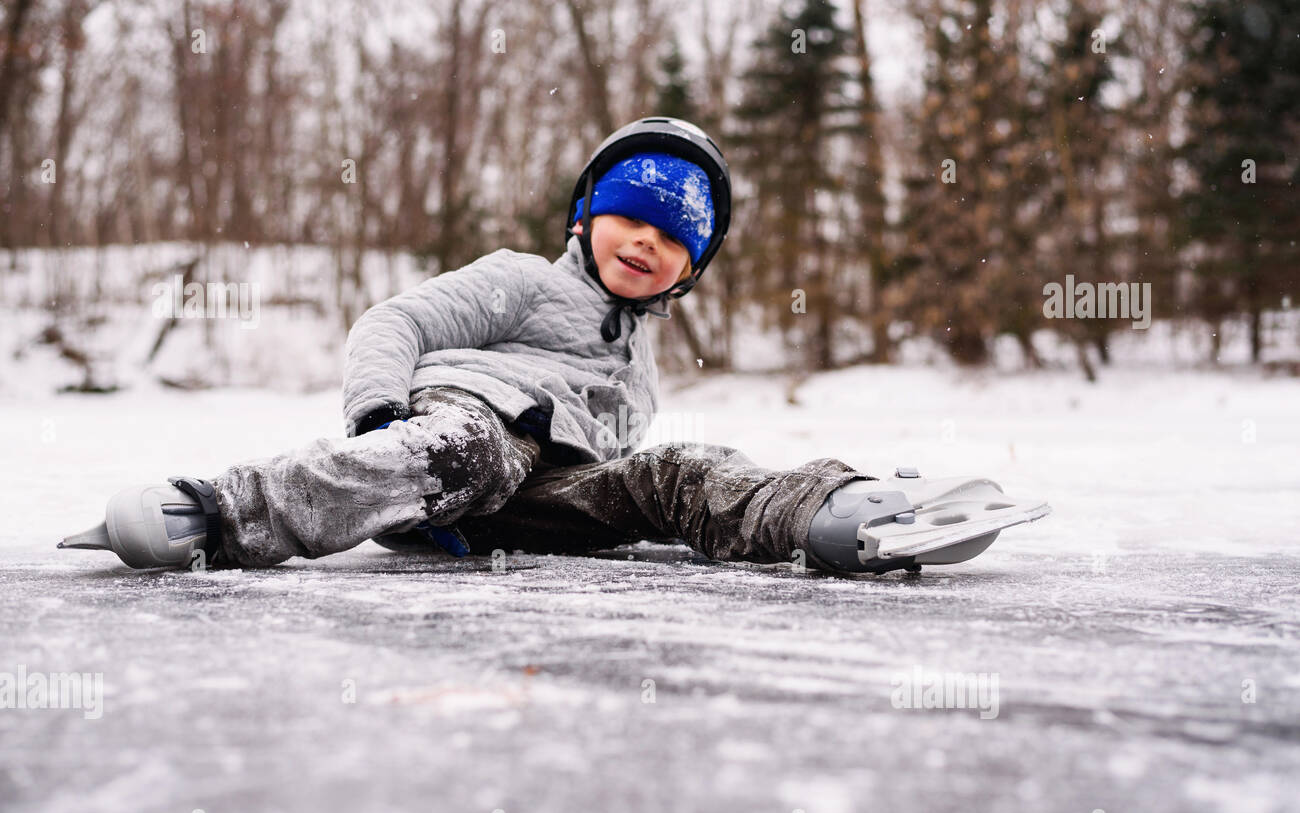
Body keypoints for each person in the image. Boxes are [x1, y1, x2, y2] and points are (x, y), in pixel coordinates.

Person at [58, 117, 1044, 574]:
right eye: (629, 220)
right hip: (457, 440)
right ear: (584, 219)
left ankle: (831, 514)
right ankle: (222, 511)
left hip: (534, 504)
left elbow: (624, 465)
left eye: (672, 240)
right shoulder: (521, 281)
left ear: (690, 268)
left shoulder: (641, 363)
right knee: (478, 447)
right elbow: (394, 320)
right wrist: (379, 416)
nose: (645, 244)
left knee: (675, 468)